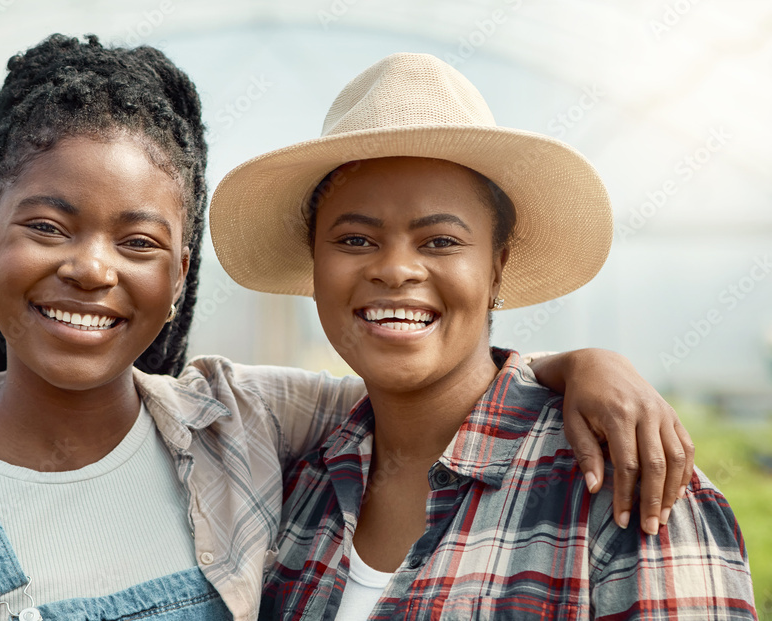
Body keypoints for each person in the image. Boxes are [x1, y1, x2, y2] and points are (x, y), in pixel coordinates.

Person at [0, 37, 696, 621]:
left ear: (178, 274)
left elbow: (430, 385)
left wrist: (580, 366)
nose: (90, 267)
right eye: (47, 225)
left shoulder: (239, 426)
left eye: (139, 240)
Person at [208, 53, 757, 619]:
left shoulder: (622, 484)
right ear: (315, 266)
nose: (396, 270)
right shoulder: (301, 477)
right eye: (354, 240)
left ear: (496, 268)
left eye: (440, 241)